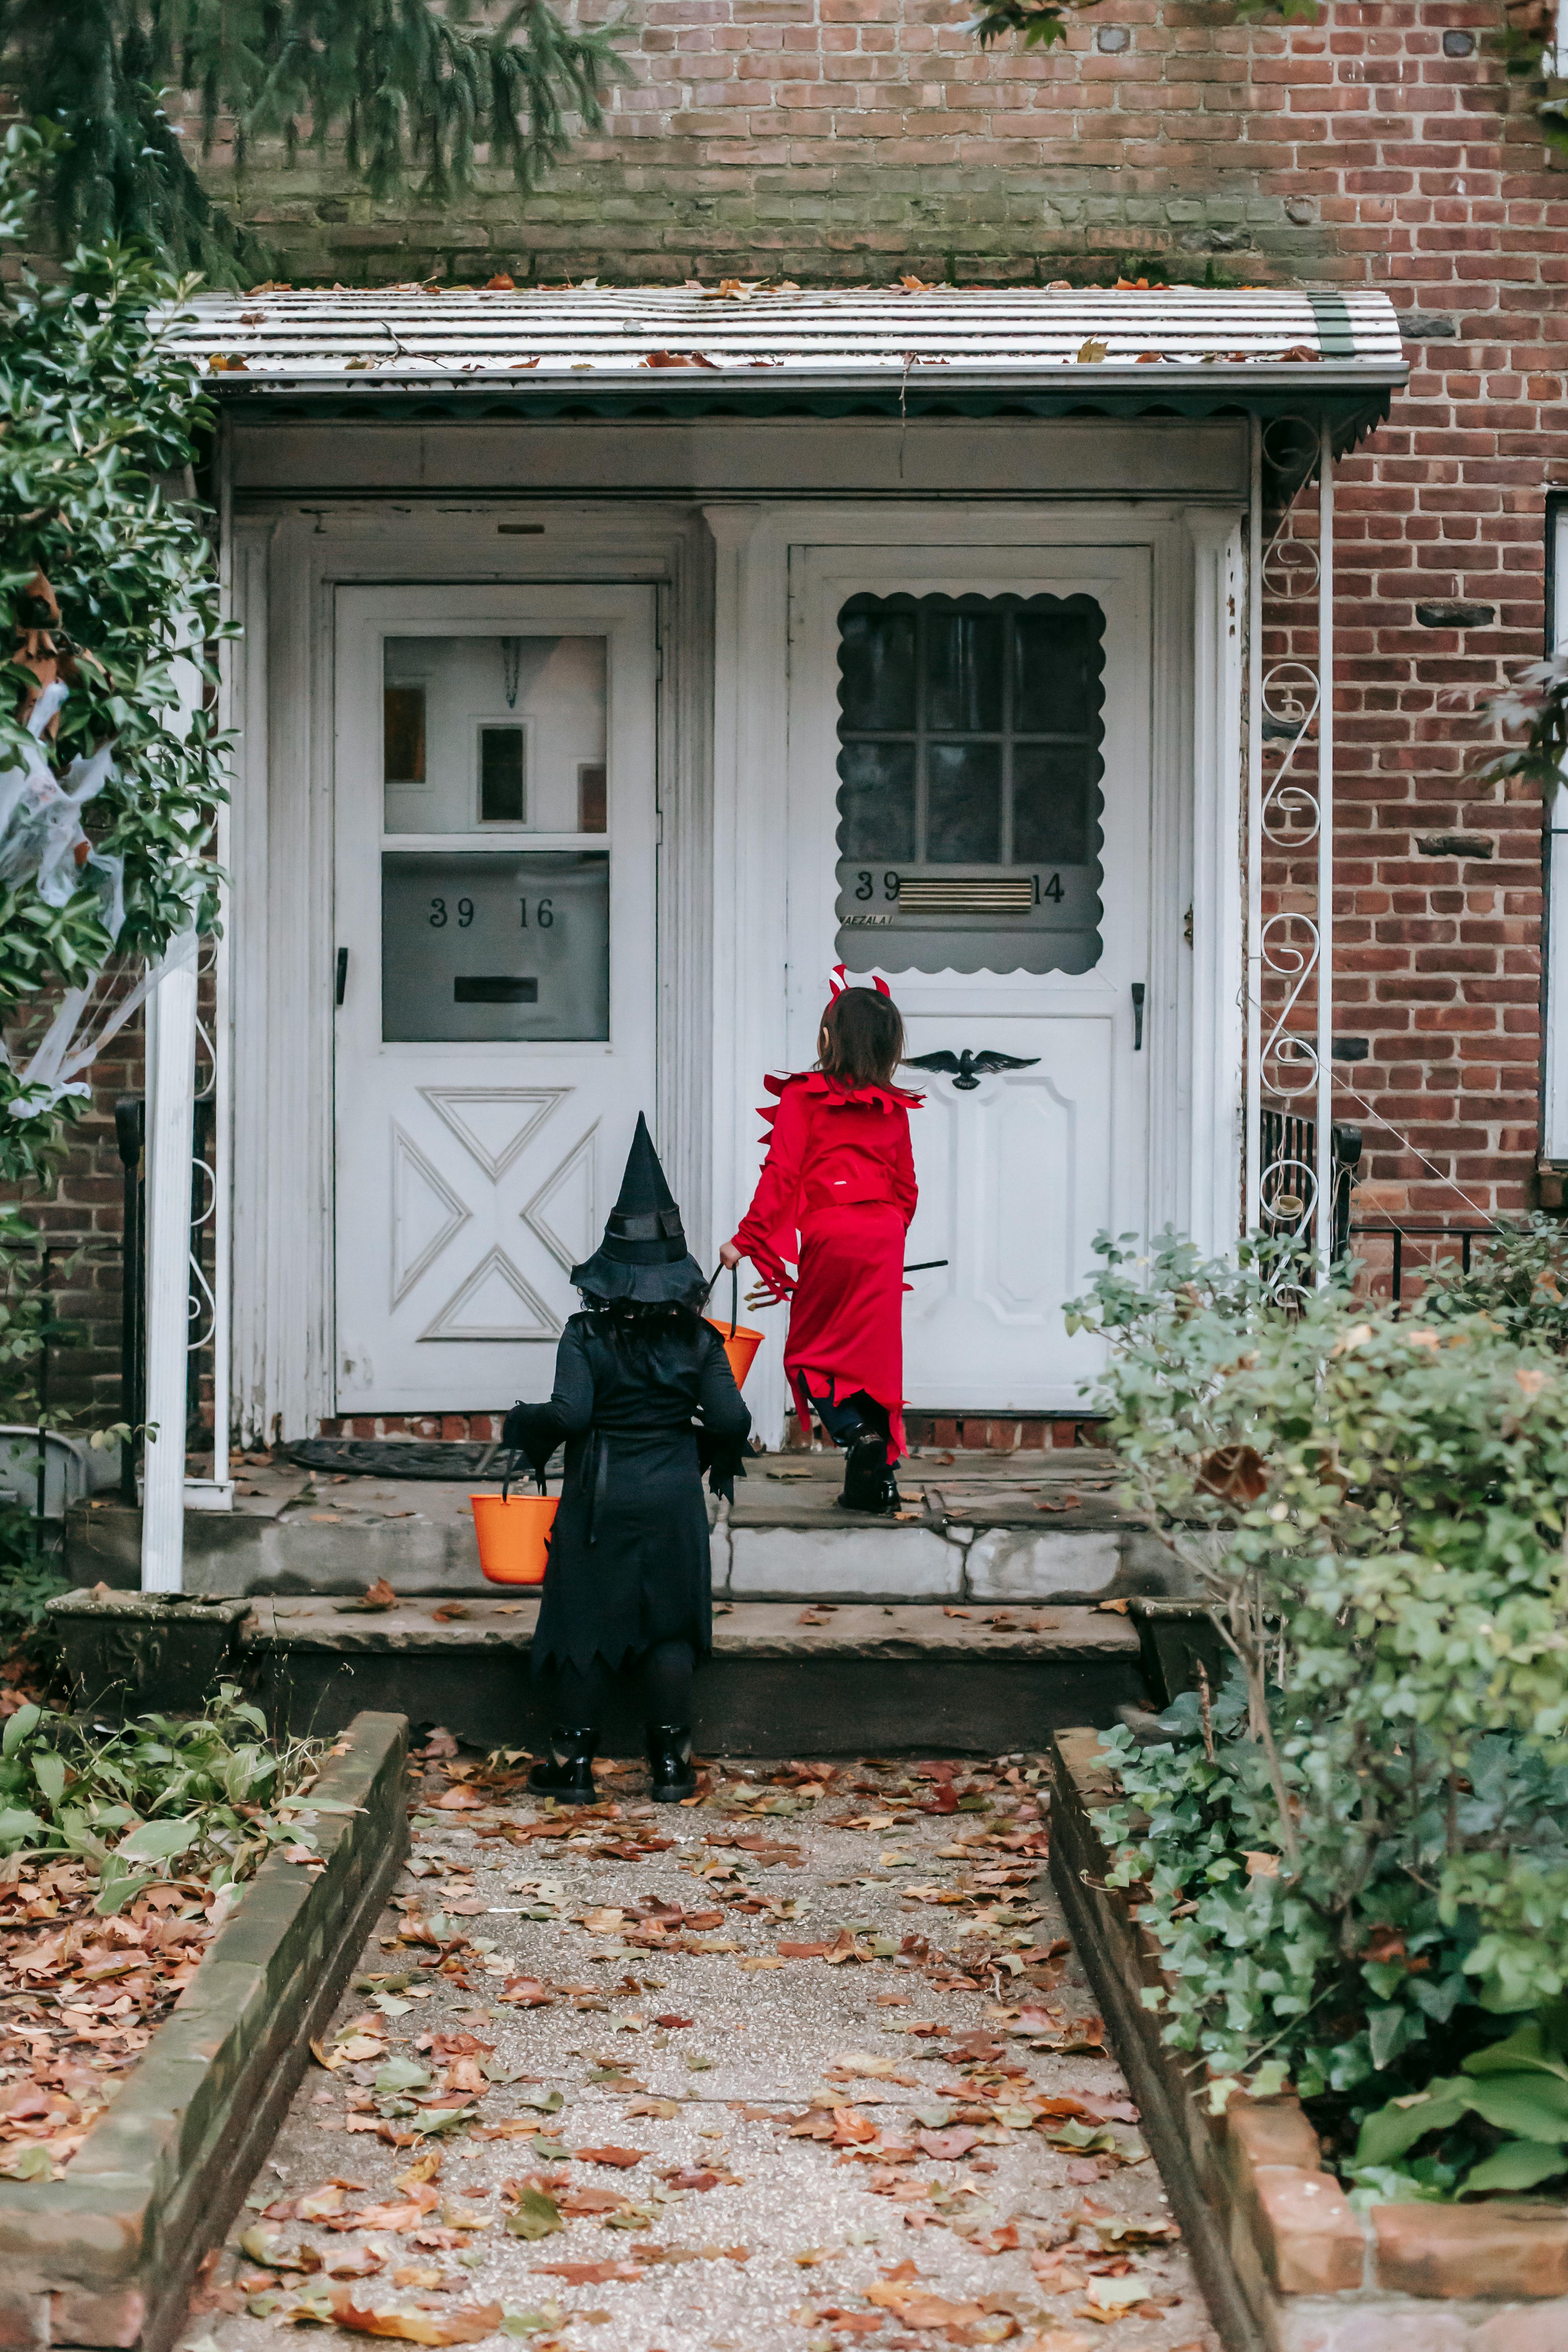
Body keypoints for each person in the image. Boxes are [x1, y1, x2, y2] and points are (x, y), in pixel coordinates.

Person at [503, 1114, 750, 1804]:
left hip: (597, 1496)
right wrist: (702, 1450)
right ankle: (670, 1770)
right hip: (671, 1492)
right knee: (670, 1622)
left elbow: (571, 1416)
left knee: (584, 1619)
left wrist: (523, 1425)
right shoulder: (700, 1340)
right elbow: (732, 1419)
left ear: (607, 1275)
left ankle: (573, 1769)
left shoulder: (584, 1333)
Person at [721, 972, 920, 1516]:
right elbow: (907, 1186)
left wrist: (746, 1240)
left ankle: (857, 1434)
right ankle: (877, 1484)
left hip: (834, 1233)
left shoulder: (802, 1099)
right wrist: (890, 1234)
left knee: (812, 1351)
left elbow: (781, 1174)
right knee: (876, 1362)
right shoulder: (894, 1108)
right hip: (883, 1235)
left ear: (829, 1040)